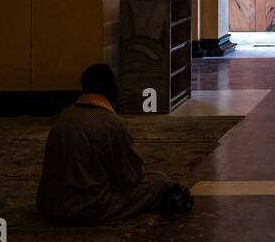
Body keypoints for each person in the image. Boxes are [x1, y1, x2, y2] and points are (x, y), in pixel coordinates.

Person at [36, 64, 194, 225]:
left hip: (50, 204)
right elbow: (130, 177)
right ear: (111, 88)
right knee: (159, 182)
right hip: (86, 207)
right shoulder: (110, 123)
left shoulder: (66, 114)